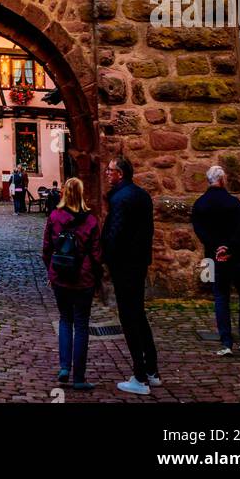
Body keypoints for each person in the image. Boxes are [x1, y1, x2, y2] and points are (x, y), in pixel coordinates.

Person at [101, 157, 160, 396]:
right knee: (139, 314)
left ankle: (139, 376)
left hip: (124, 265)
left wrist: (105, 258)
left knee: (128, 317)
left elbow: (114, 233)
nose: (107, 173)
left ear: (120, 174)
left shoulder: (119, 198)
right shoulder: (143, 195)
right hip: (139, 263)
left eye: (110, 170)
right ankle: (153, 370)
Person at [42, 177, 103, 391]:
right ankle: (79, 376)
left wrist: (51, 271)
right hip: (83, 278)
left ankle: (64, 367)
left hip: (61, 277)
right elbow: (96, 253)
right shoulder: (91, 220)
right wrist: (98, 277)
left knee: (65, 320)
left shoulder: (55, 216)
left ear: (64, 193)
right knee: (82, 324)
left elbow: (47, 247)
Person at [191, 164, 240, 356]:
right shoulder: (234, 203)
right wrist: (228, 246)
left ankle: (226, 341)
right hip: (236, 256)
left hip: (214, 257)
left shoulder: (200, 204)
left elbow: (200, 231)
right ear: (222, 180)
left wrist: (217, 247)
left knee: (220, 296)